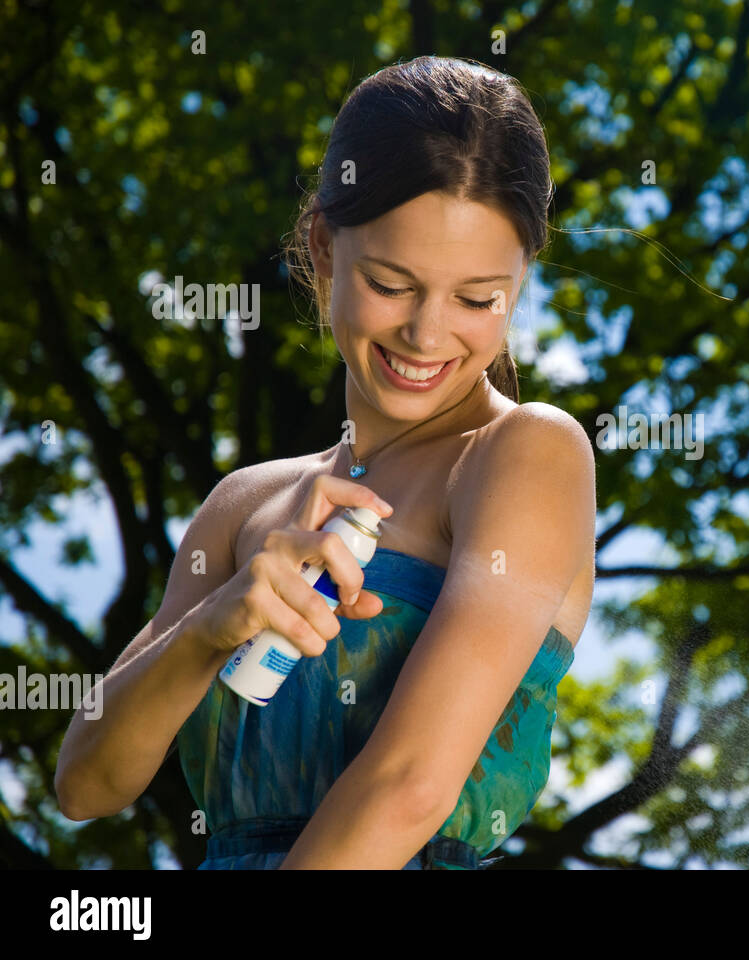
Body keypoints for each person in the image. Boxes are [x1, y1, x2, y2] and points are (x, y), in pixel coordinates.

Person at [53, 56, 596, 870]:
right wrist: (211, 627)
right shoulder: (246, 503)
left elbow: (409, 786)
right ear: (324, 249)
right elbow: (85, 785)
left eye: (477, 298)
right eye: (391, 283)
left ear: (518, 286)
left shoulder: (523, 453)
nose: (426, 333)